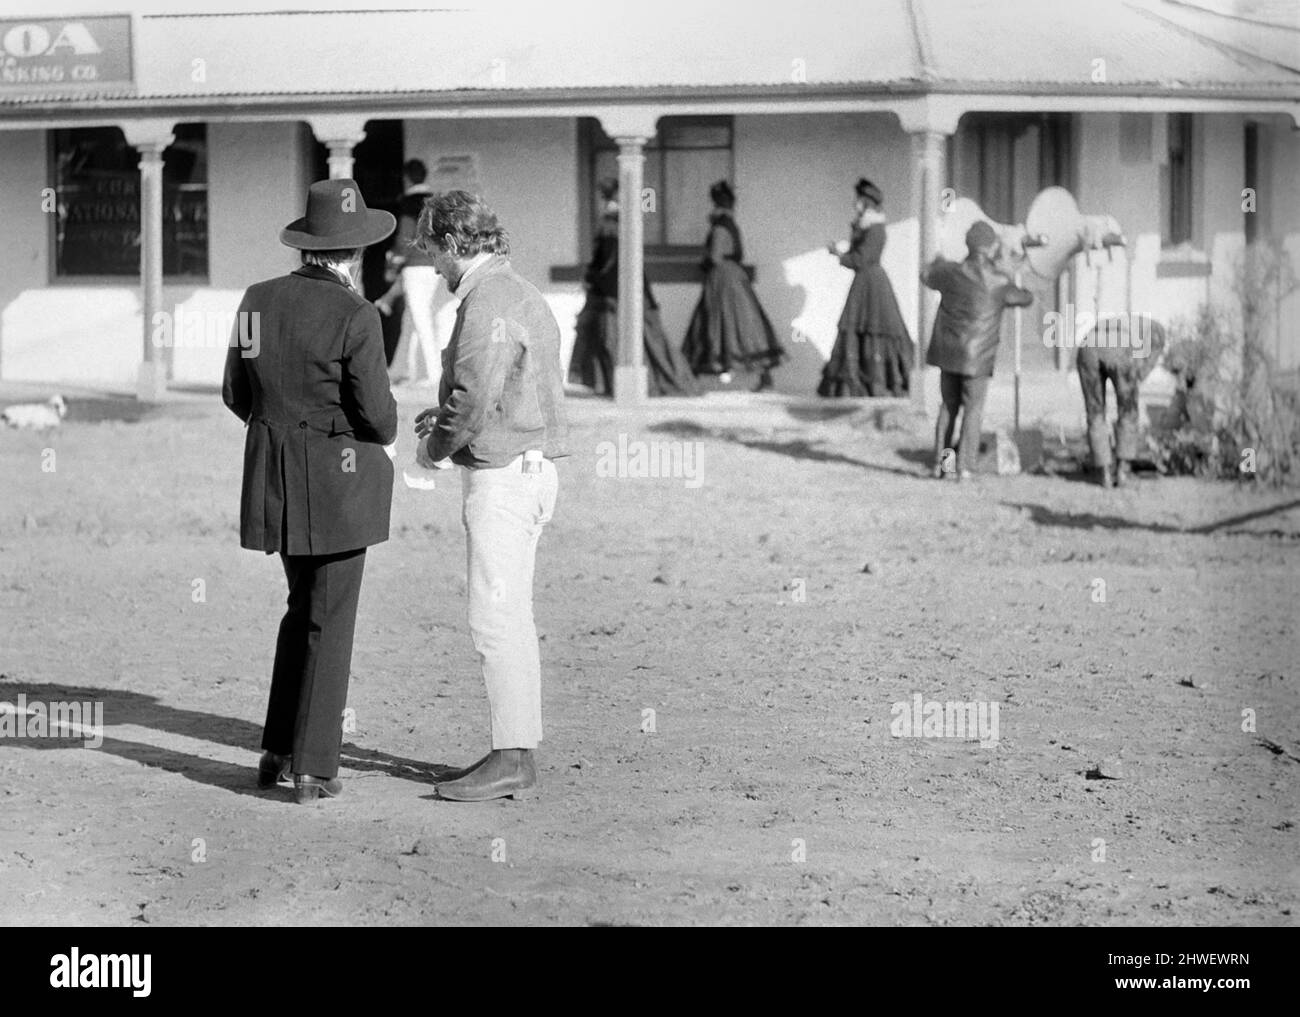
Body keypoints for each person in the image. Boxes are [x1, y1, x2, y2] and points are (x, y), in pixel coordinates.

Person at [222, 177, 398, 804]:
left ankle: (276, 749)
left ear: (305, 246)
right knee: (331, 620)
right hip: (340, 484)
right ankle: (315, 766)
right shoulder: (358, 315)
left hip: (274, 482)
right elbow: (379, 418)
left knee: (301, 610)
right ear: (354, 256)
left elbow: (235, 394)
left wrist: (284, 434)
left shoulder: (252, 301)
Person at [411, 190, 569, 802]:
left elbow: (474, 398)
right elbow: (508, 389)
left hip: (502, 476)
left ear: (454, 244)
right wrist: (450, 415)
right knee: (512, 617)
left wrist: (434, 448)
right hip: (532, 467)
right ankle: (515, 749)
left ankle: (512, 759)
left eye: (432, 250)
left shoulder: (485, 301)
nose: (431, 266)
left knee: (493, 619)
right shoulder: (521, 291)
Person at [922, 220, 1033, 479]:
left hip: (948, 355)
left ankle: (942, 466)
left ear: (968, 245)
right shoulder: (998, 281)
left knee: (948, 407)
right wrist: (1013, 267)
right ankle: (965, 468)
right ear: (991, 246)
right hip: (978, 359)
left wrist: (937, 261)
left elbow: (925, 275)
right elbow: (1025, 298)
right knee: (973, 410)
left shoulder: (949, 272)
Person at [569, 178, 697, 397]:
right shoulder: (621, 220)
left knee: (617, 337)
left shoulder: (612, 223)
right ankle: (612, 385)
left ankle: (626, 385)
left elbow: (608, 260)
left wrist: (594, 279)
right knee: (625, 337)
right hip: (620, 286)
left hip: (615, 289)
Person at [683, 180, 785, 391]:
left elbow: (715, 256)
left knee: (716, 323)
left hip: (723, 279)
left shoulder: (721, 226)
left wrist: (704, 263)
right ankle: (763, 376)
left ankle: (694, 375)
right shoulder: (730, 225)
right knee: (743, 324)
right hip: (733, 278)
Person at [818, 178, 913, 397]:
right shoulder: (866, 226)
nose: (854, 203)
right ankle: (860, 381)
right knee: (859, 327)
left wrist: (840, 255)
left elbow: (861, 259)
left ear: (865, 201)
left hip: (873, 284)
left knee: (875, 327)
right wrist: (843, 252)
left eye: (857, 199)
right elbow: (857, 256)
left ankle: (880, 382)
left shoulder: (876, 229)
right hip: (864, 283)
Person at [387, 159, 456, 388]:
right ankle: (400, 369)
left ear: (407, 177)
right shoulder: (436, 201)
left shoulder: (406, 202)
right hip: (434, 264)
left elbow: (406, 235)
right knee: (411, 319)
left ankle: (434, 374)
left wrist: (394, 263)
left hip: (414, 267)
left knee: (420, 318)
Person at [1077, 316, 1166, 487]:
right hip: (1119, 348)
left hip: (1088, 347)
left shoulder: (1133, 325)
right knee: (1128, 410)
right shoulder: (1156, 333)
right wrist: (1140, 372)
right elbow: (1144, 368)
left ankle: (1104, 472)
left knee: (1095, 410)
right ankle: (1123, 471)